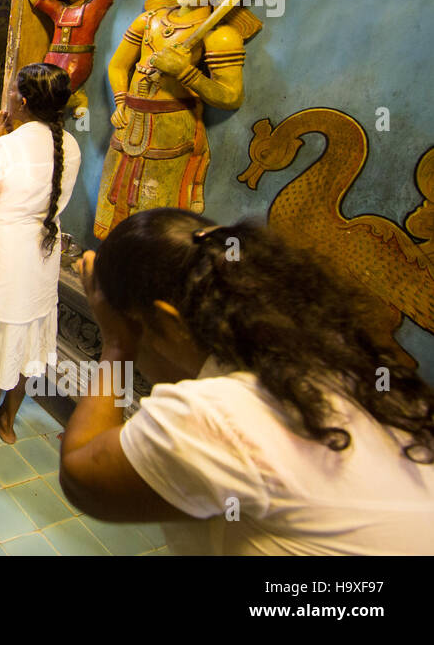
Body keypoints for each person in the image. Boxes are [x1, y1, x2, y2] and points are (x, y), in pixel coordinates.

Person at [60, 208, 434, 554]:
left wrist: (116, 345)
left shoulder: (219, 416)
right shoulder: (343, 364)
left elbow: (81, 477)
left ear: (167, 323)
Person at [0, 62, 82, 447]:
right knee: (23, 341)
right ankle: (7, 422)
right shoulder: (68, 145)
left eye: (10, 90)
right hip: (40, 259)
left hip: (2, 261)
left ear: (21, 102)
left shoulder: (4, 147)